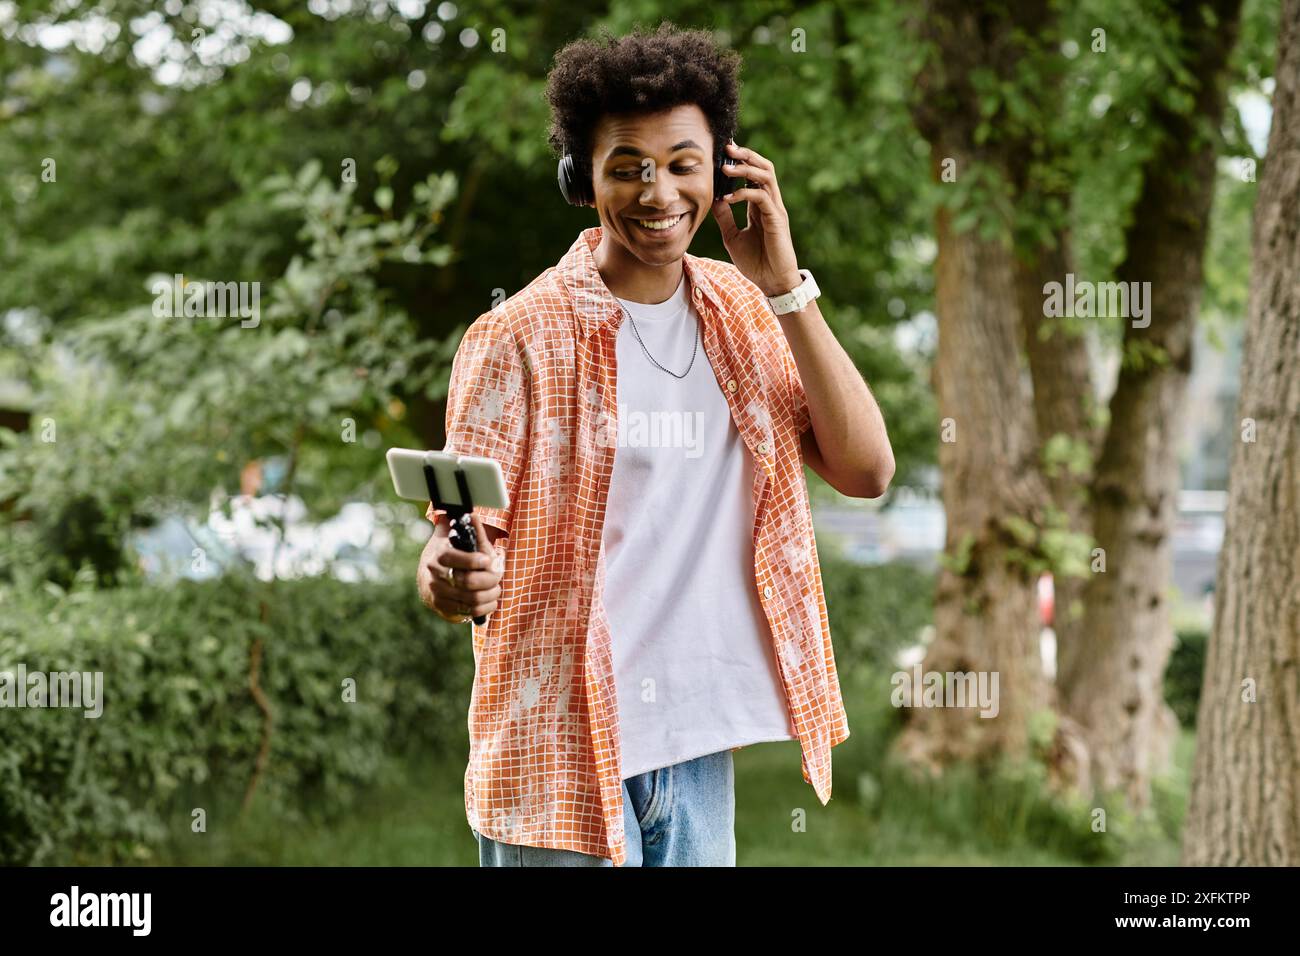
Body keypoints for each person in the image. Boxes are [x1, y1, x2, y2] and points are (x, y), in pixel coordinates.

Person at [416, 22, 895, 867]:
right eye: (626, 167)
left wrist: (784, 285)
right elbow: (458, 535)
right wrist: (454, 577)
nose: (657, 192)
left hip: (696, 739)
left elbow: (866, 469)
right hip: (557, 746)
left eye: (682, 163)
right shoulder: (516, 337)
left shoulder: (744, 313)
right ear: (582, 180)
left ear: (724, 168)